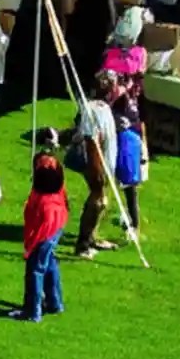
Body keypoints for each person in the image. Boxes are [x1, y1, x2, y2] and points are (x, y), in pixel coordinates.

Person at [10, 154, 68, 322]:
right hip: (55, 230)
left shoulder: (43, 202)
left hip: (44, 234)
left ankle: (32, 311)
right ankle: (55, 303)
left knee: (35, 270)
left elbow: (41, 230)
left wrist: (30, 247)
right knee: (50, 264)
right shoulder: (57, 193)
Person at [66, 92, 118, 259]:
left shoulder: (104, 108)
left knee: (102, 200)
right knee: (97, 200)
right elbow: (91, 141)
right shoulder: (93, 110)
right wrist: (97, 172)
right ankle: (82, 245)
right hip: (97, 164)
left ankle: (91, 238)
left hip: (105, 162)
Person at [116, 118, 144, 236]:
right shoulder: (136, 137)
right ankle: (135, 224)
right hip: (135, 174)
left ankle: (131, 224)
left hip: (123, 172)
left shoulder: (119, 138)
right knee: (132, 200)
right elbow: (141, 156)